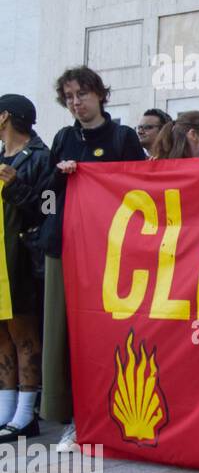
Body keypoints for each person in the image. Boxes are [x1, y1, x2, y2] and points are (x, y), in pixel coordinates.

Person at [39, 67, 147, 452]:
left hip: (110, 252)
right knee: (64, 335)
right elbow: (46, 199)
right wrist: (60, 175)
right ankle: (72, 420)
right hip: (64, 246)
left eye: (82, 93)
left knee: (107, 334)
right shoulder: (63, 138)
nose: (76, 102)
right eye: (68, 96)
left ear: (101, 95)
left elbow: (143, 187)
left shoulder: (123, 137)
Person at [0, 95, 48, 443]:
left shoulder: (41, 156)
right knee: (1, 335)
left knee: (24, 334)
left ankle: (27, 413)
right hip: (0, 258)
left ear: (5, 117)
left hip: (21, 258)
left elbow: (50, 206)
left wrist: (16, 184)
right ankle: (6, 408)